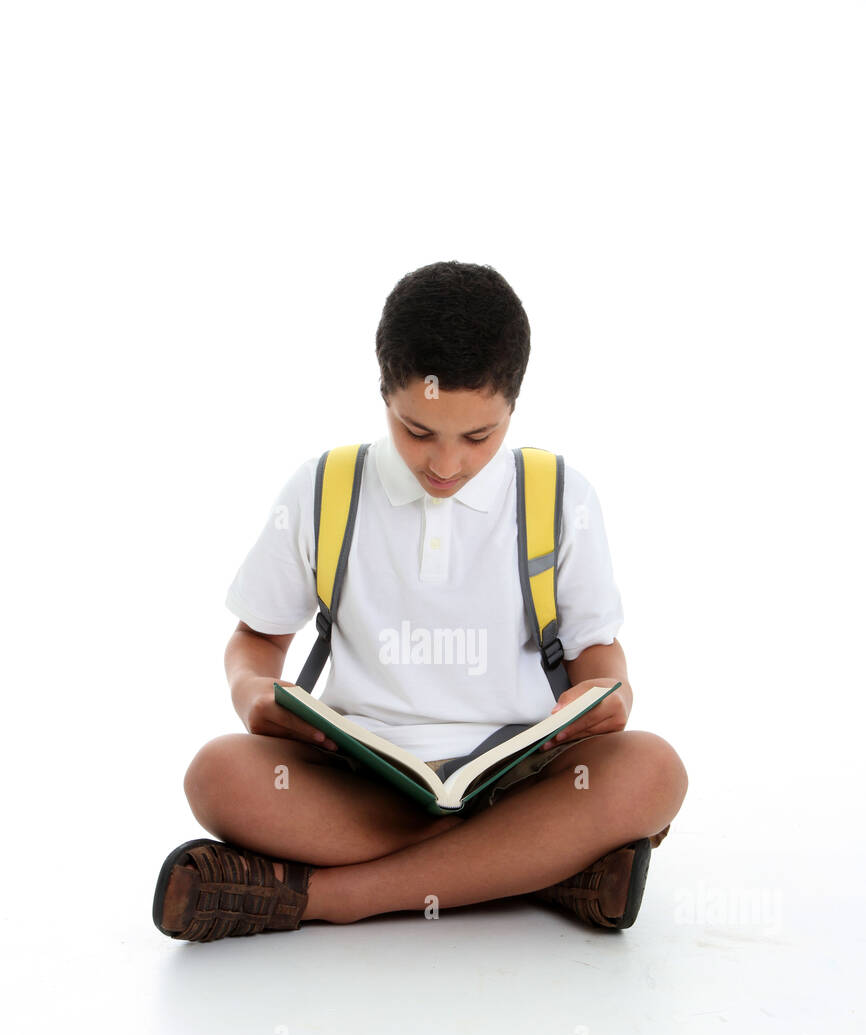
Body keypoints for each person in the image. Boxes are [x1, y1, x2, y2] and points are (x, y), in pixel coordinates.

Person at [152, 261, 688, 942]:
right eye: (417, 431)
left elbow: (596, 652)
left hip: (516, 776)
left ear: (513, 409)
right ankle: (536, 865)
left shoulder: (560, 496)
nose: (445, 465)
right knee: (217, 776)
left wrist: (611, 698)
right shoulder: (326, 488)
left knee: (653, 771)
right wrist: (251, 692)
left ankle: (329, 897)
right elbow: (255, 638)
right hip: (366, 784)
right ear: (385, 394)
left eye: (477, 437)